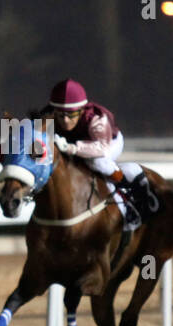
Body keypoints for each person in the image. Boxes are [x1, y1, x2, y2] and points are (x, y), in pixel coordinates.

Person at [38, 78, 158, 231]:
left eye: (71, 115)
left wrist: (71, 148)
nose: (66, 120)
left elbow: (101, 148)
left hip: (107, 143)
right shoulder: (48, 115)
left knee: (96, 162)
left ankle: (127, 187)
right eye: (60, 115)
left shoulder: (97, 120)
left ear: (81, 110)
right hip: (76, 143)